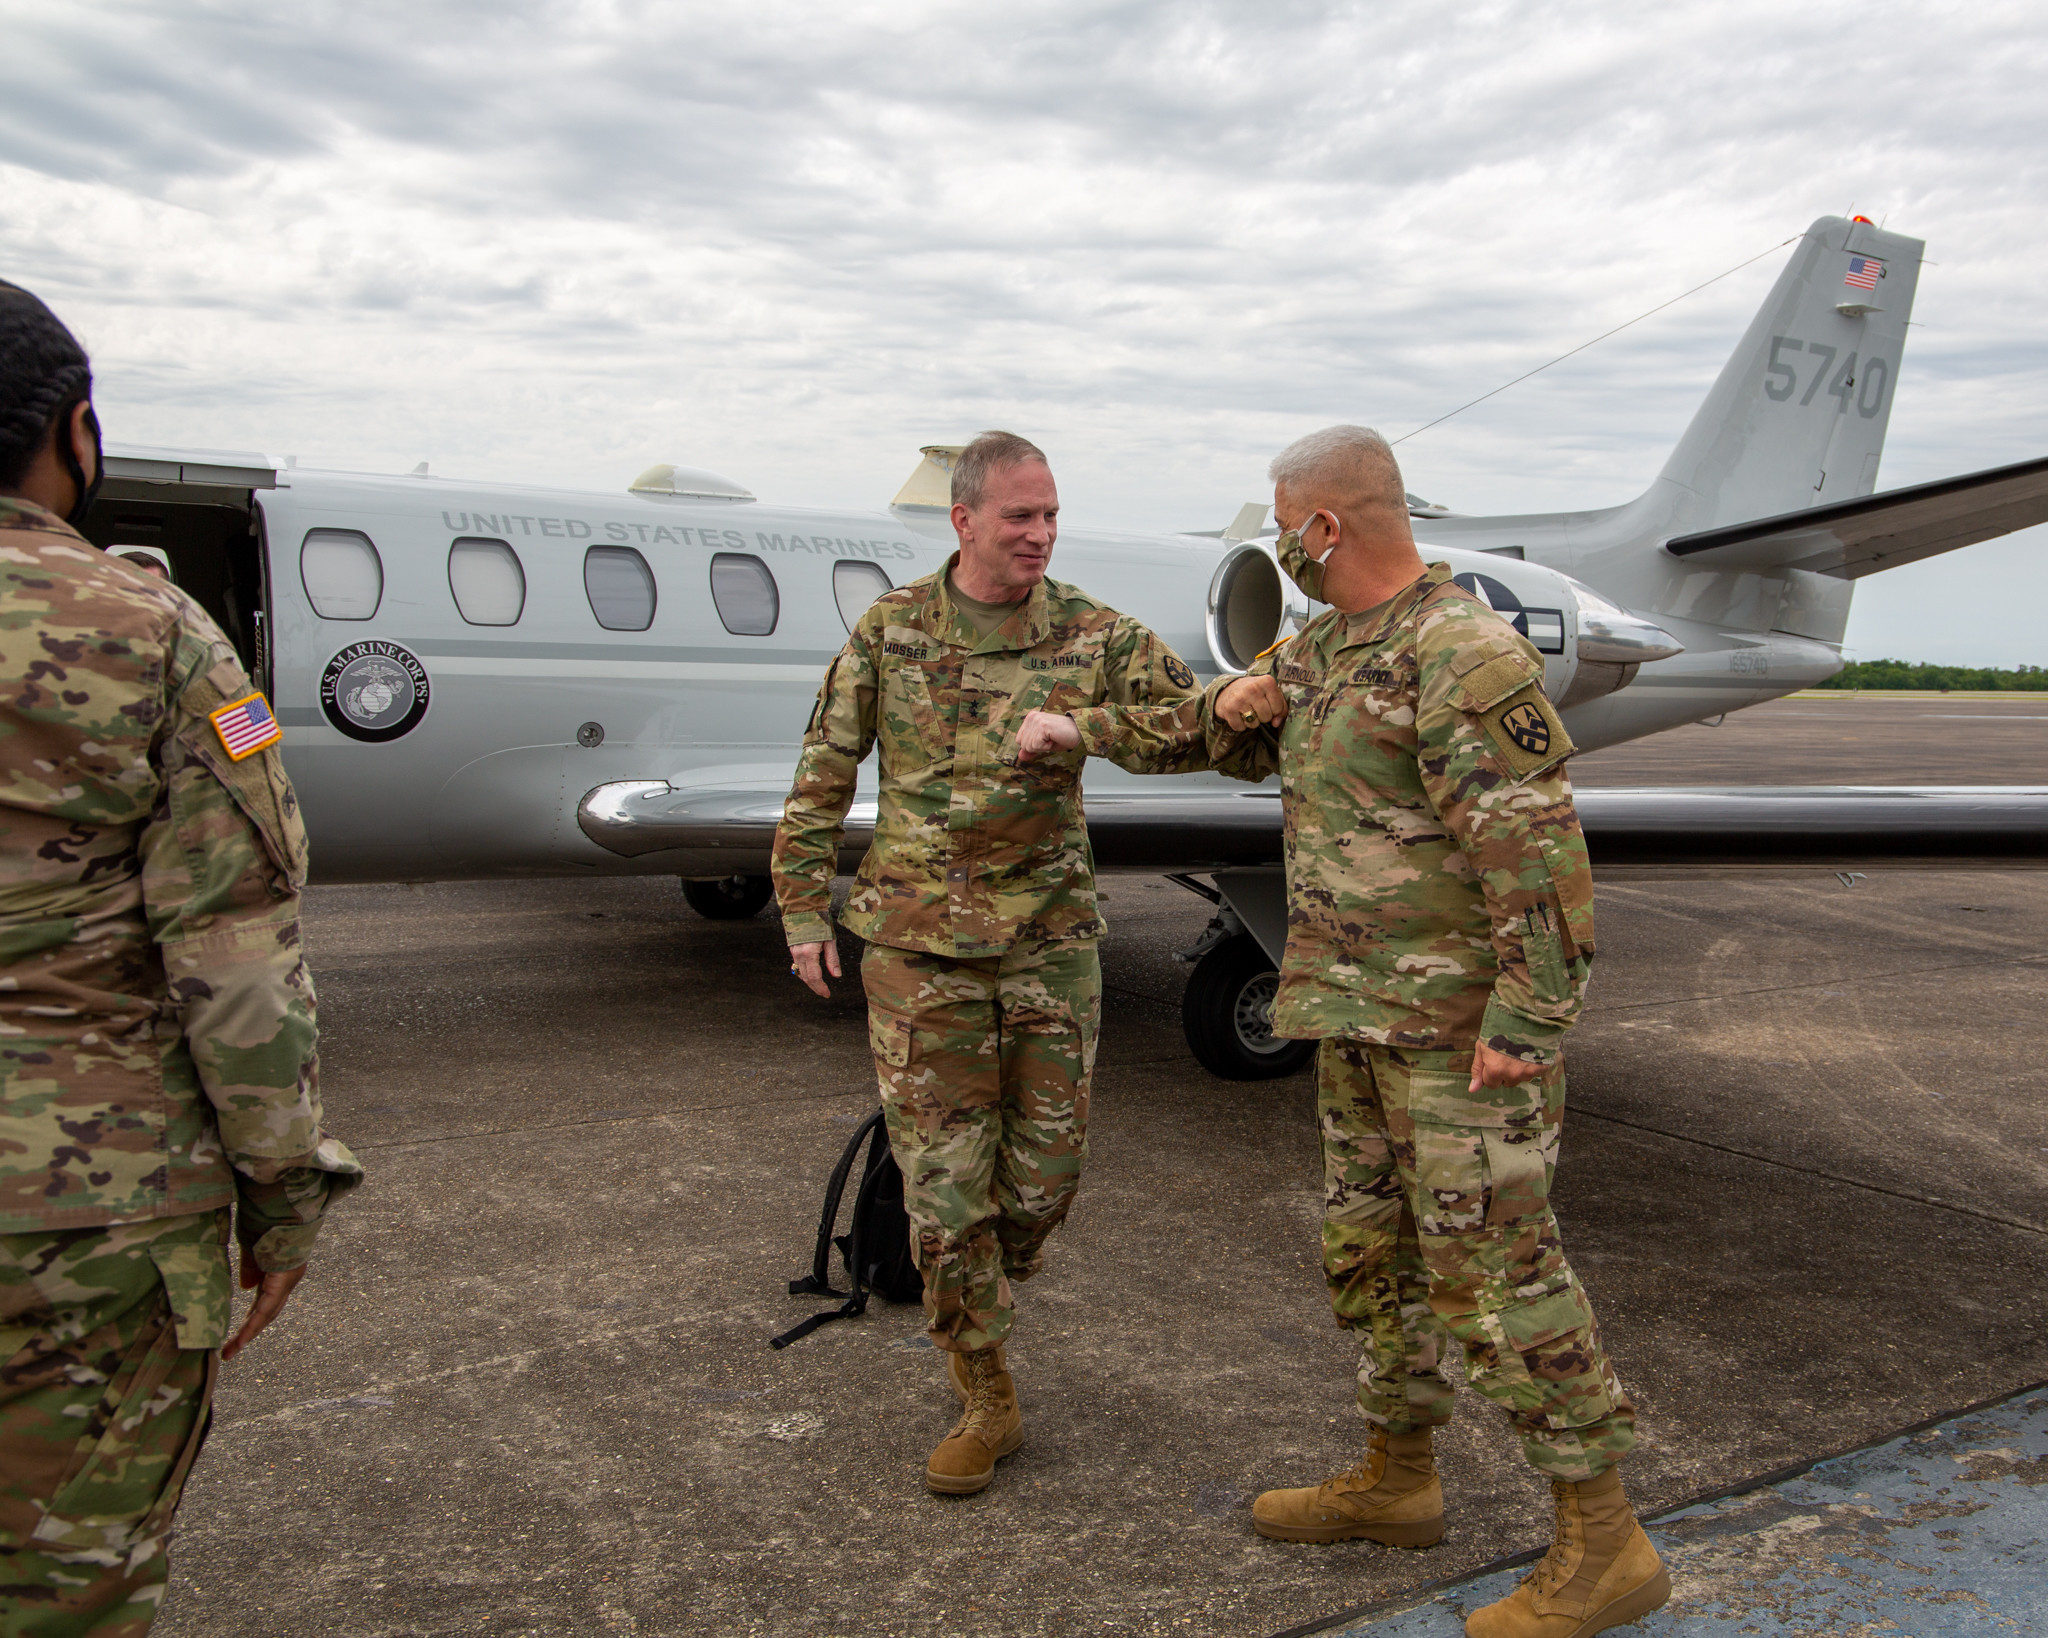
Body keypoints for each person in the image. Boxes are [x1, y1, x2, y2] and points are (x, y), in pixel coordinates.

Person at [1020, 426, 1669, 1638]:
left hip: (1459, 1035)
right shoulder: (1319, 647)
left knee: (1497, 1280)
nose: (1274, 542)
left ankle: (1606, 1541)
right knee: (1374, 1263)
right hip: (1358, 1020)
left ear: (1325, 525)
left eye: (1281, 520)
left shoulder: (1459, 652)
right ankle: (1398, 1479)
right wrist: (1089, 727)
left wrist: (1527, 1025)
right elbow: (1219, 730)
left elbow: (1536, 859)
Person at [0, 280, 360, 1636]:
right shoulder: (158, 635)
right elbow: (236, 953)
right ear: (74, 432)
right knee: (68, 1585)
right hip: (77, 1225)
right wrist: (282, 1198)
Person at [771, 430, 1207, 1496]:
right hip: (919, 952)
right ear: (962, 520)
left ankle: (982, 1281)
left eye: (1050, 514)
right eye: (1019, 516)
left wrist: (1084, 726)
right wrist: (798, 908)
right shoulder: (892, 629)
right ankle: (984, 1391)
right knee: (942, 1189)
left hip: (1049, 944)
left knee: (1041, 1183)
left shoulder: (1089, 632)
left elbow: (1194, 729)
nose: (1039, 534)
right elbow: (823, 768)